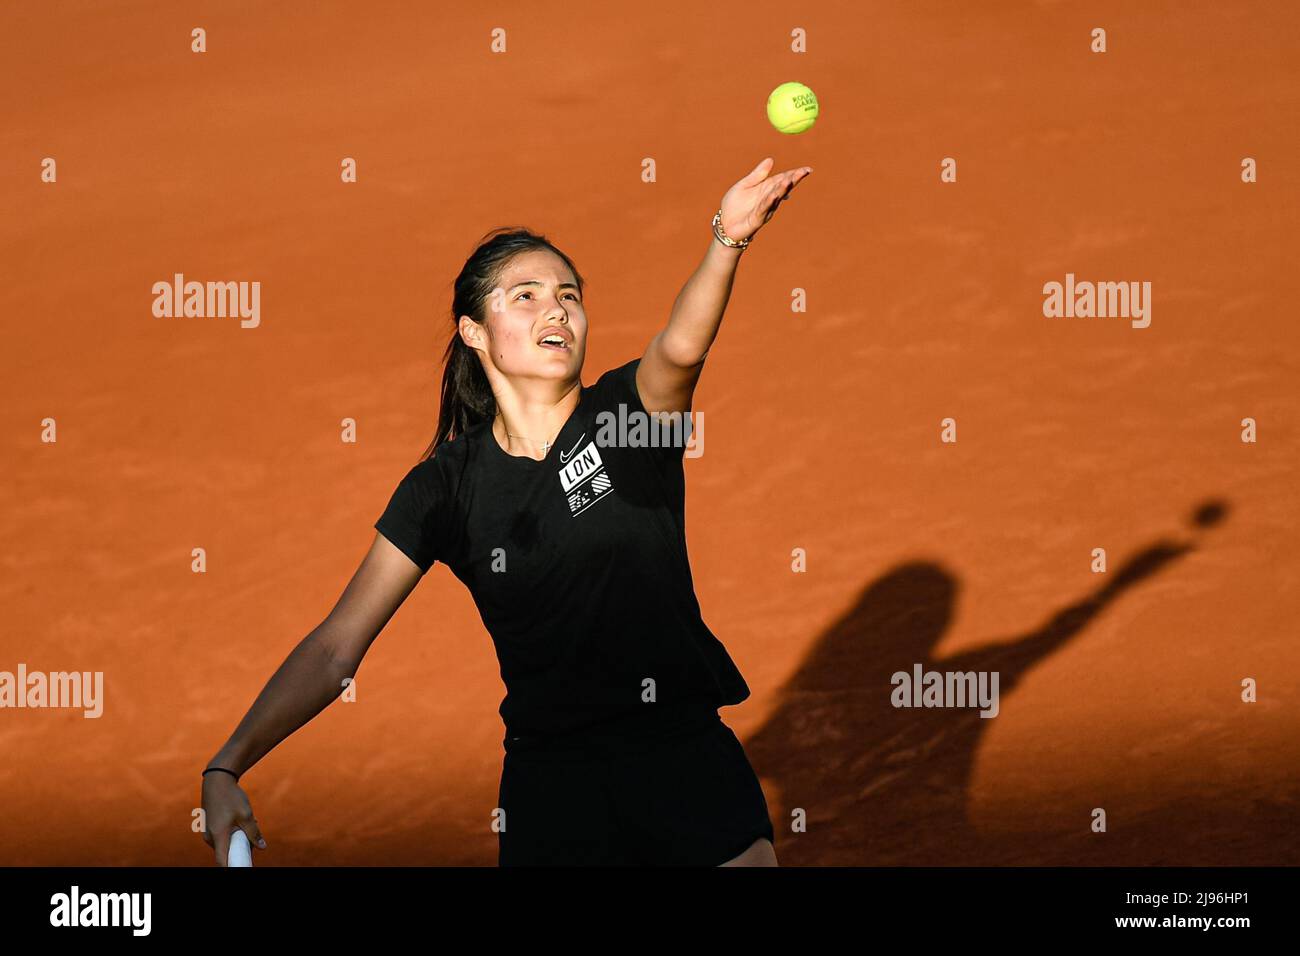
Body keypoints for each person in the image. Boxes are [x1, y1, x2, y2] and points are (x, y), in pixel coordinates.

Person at [201, 157, 813, 866]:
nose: (557, 309)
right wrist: (228, 764)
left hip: (682, 758)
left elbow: (680, 348)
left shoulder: (628, 417)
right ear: (474, 332)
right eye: (525, 296)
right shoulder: (444, 490)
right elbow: (339, 645)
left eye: (569, 296)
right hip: (554, 791)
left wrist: (726, 239)